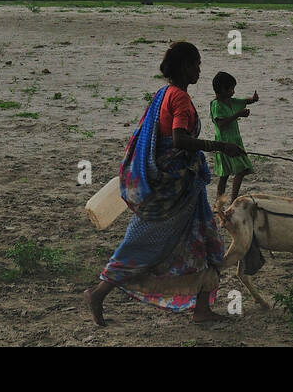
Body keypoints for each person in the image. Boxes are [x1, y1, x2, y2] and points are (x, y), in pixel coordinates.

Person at [85, 41, 245, 325]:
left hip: (183, 190)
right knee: (144, 244)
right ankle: (99, 291)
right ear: (184, 66)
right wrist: (220, 146)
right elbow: (179, 140)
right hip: (175, 191)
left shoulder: (164, 94)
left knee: (204, 243)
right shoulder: (179, 98)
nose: (199, 69)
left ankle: (201, 309)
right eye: (196, 63)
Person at [209, 71, 259, 208]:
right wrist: (238, 114)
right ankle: (228, 203)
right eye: (231, 89)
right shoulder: (216, 105)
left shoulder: (230, 101)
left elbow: (243, 101)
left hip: (235, 141)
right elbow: (220, 123)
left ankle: (224, 203)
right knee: (234, 172)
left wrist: (253, 100)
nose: (233, 92)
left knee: (230, 173)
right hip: (225, 144)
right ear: (222, 90)